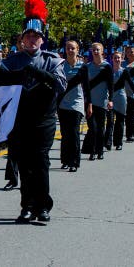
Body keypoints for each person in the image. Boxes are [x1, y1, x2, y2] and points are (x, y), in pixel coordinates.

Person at [0, 0, 66, 224]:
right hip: (19, 121)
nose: (31, 39)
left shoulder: (52, 60)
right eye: (28, 36)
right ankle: (26, 206)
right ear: (22, 39)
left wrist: (39, 74)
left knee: (41, 163)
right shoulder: (11, 62)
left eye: (35, 36)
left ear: (41, 39)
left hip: (44, 120)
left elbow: (60, 86)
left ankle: (43, 206)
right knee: (24, 164)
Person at [58, 40, 89, 172]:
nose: (70, 51)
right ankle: (65, 159)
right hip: (62, 104)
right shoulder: (60, 66)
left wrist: (90, 104)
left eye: (73, 48)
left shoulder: (83, 67)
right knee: (65, 133)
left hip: (77, 103)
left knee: (74, 133)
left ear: (77, 50)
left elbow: (87, 87)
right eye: (68, 48)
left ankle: (74, 162)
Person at [83, 43, 113, 160]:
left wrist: (110, 100)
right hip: (89, 102)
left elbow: (111, 85)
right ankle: (93, 151)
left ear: (102, 52)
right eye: (93, 50)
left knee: (100, 128)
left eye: (97, 50)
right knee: (92, 128)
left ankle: (100, 151)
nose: (95, 52)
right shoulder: (87, 66)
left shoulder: (107, 66)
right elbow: (85, 85)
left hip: (102, 101)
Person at [109, 51, 129, 151]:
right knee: (110, 122)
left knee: (120, 122)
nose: (117, 60)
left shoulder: (124, 71)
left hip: (121, 97)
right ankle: (108, 142)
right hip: (110, 99)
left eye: (119, 58)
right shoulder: (109, 71)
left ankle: (118, 143)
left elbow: (130, 83)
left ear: (121, 59)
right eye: (115, 58)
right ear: (112, 59)